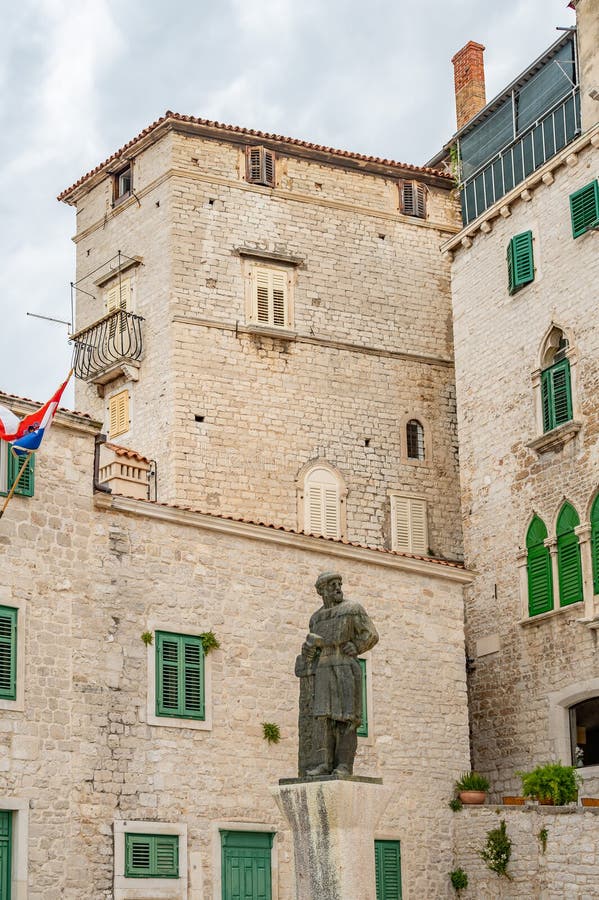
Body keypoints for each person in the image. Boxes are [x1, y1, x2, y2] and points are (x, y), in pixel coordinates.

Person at [301, 572, 379, 777]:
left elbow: (371, 634)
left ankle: (344, 765)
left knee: (346, 718)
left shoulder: (352, 609)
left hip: (345, 666)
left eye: (339, 584)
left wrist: (357, 646)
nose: (337, 588)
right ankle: (324, 763)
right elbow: (314, 648)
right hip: (324, 668)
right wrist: (309, 649)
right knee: (324, 718)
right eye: (332, 585)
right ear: (321, 590)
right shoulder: (315, 619)